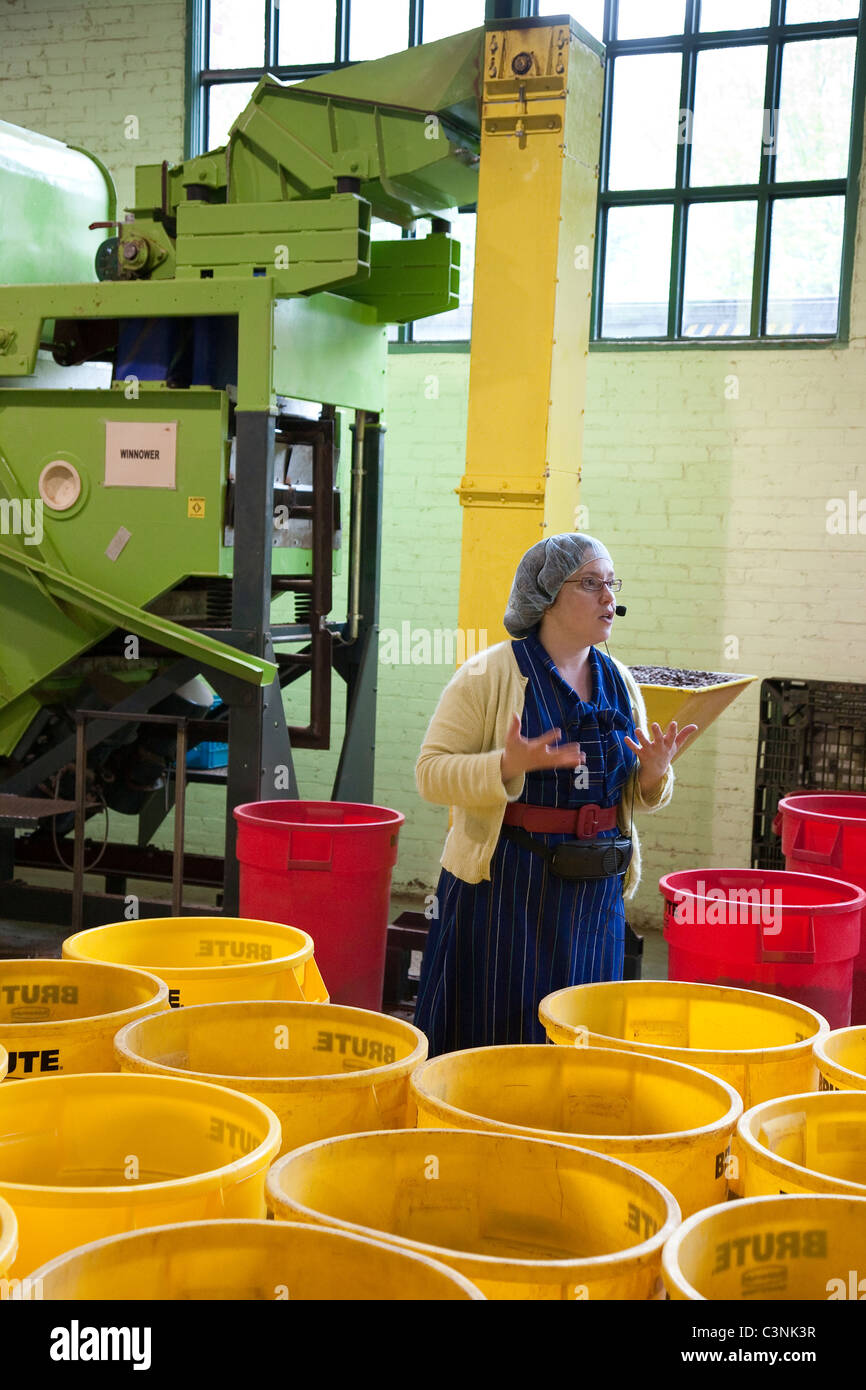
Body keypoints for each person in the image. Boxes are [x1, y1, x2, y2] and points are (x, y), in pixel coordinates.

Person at [413, 532, 697, 1057]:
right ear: (546, 595)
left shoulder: (618, 681)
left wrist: (654, 774)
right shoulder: (487, 676)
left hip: (594, 894)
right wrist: (505, 764)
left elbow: (632, 793)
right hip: (504, 890)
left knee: (578, 1029)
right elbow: (430, 773)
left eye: (611, 584)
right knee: (495, 1032)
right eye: (591, 584)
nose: (609, 598)